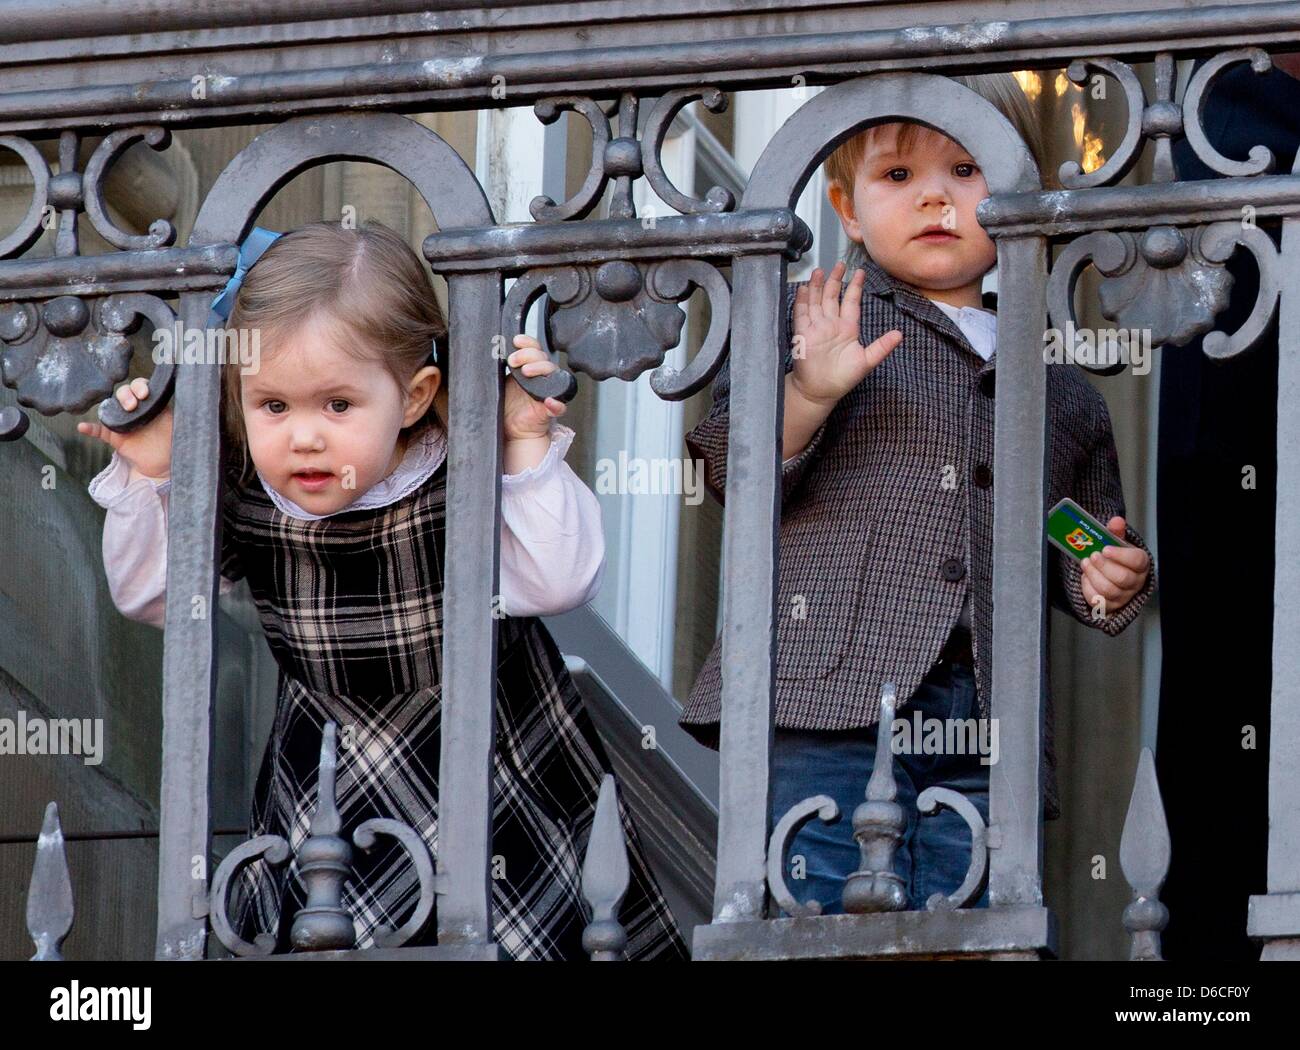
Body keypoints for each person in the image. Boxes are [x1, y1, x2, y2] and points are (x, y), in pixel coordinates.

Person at [78, 219, 688, 960]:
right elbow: (157, 598)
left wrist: (522, 443)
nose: (305, 437)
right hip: (331, 774)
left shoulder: (459, 465)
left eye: (338, 405)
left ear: (413, 395)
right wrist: (152, 476)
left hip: (494, 764)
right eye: (273, 406)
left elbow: (560, 582)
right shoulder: (246, 491)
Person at [679, 74, 1156, 915]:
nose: (935, 196)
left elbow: (1066, 538)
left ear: (1020, 199)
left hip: (983, 725)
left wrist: (1107, 577)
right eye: (898, 177)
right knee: (815, 921)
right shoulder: (818, 317)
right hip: (824, 704)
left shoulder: (1060, 388)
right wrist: (811, 391)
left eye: (967, 170)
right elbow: (733, 468)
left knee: (962, 925)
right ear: (849, 208)